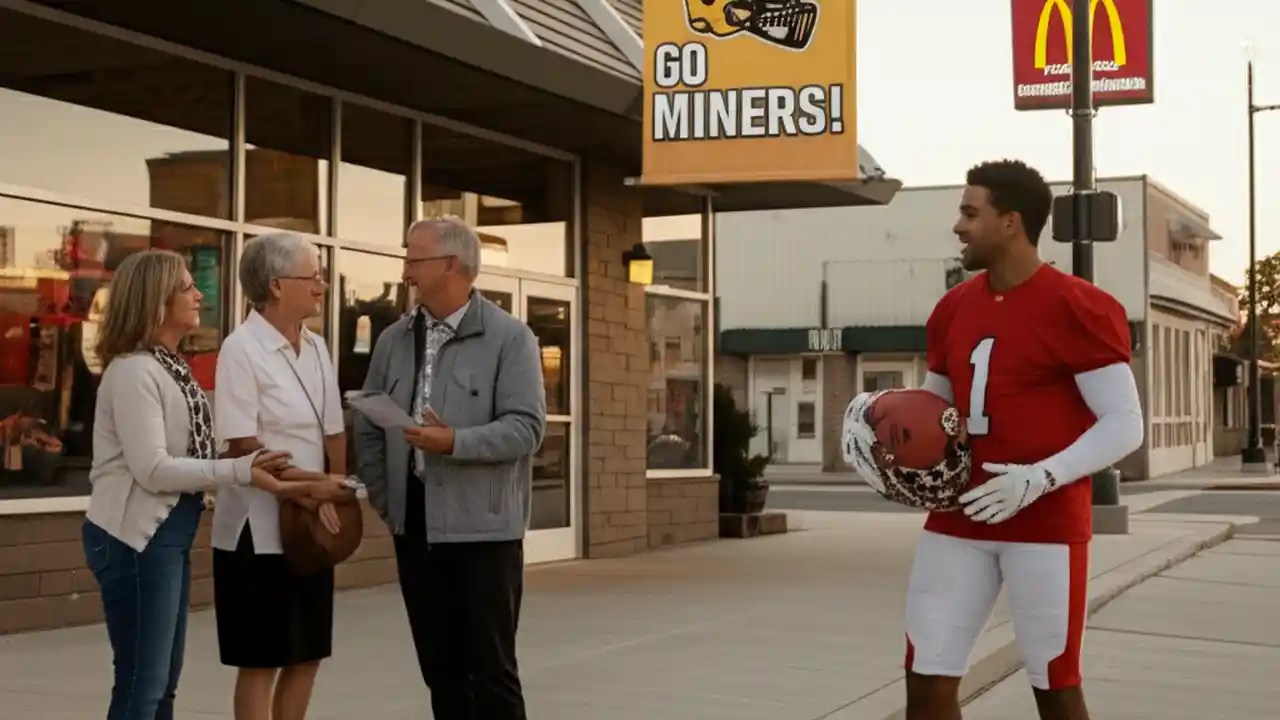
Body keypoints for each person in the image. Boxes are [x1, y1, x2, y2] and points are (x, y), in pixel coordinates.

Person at [845, 160, 1144, 720]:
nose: (958, 226)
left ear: (1011, 222)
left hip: (1044, 525)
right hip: (957, 518)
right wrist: (893, 452)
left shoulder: (1076, 305)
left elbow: (1125, 423)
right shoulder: (954, 307)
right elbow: (936, 416)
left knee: (1054, 689)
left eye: (969, 212)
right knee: (926, 681)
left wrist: (1038, 478)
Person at [82, 249, 346, 720]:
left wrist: (317, 482)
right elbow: (155, 469)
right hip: (136, 536)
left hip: (169, 531)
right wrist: (245, 471)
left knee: (161, 685)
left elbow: (204, 452)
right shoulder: (135, 371)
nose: (200, 292)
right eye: (187, 287)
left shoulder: (170, 364)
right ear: (155, 300)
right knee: (143, 686)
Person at [354, 216, 546, 720]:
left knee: (492, 672)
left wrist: (453, 441)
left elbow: (526, 429)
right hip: (415, 525)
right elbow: (369, 424)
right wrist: (386, 497)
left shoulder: (511, 338)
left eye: (415, 259)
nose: (406, 270)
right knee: (441, 671)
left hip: (484, 530)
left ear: (452, 266)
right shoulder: (394, 339)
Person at [212, 232, 355, 720]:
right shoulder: (241, 349)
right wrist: (312, 487)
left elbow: (334, 430)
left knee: (307, 654)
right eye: (311, 276)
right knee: (261, 659)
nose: (321, 286)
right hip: (257, 530)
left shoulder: (317, 346)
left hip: (312, 524)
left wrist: (335, 490)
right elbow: (242, 445)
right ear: (275, 285)